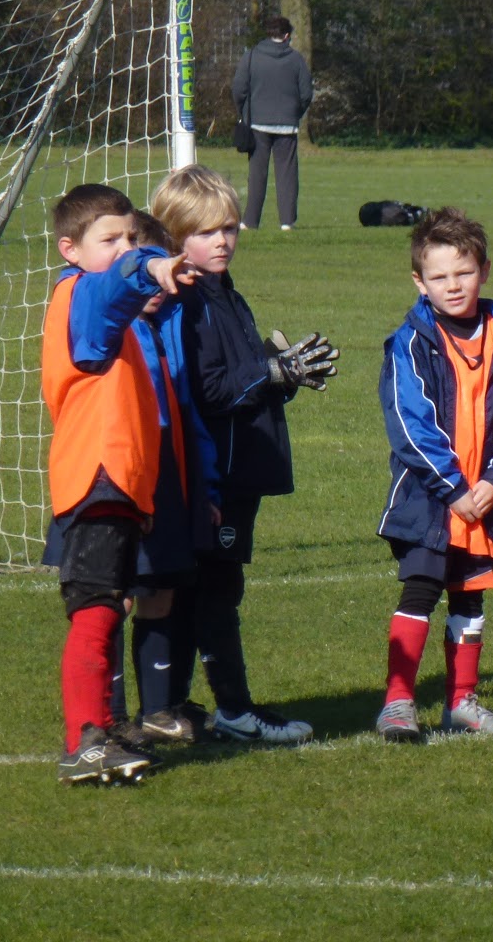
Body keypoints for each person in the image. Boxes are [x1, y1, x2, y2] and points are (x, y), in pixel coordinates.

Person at [152, 165, 337, 745]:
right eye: (207, 231)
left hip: (237, 468)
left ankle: (178, 706)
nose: (224, 240)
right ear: (176, 236)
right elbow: (208, 390)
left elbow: (236, 375)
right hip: (217, 474)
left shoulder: (224, 292)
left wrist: (282, 372)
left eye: (229, 227)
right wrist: (270, 371)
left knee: (202, 589)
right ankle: (232, 709)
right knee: (215, 591)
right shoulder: (188, 302)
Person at [41, 183, 194, 784]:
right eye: (110, 239)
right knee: (96, 608)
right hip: (97, 477)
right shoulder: (83, 295)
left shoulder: (114, 313)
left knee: (106, 605)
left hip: (119, 482)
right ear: (70, 249)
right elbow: (119, 281)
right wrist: (150, 262)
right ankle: (85, 738)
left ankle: (100, 732)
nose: (124, 246)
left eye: (131, 236)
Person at [375, 208, 493, 742]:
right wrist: (454, 488)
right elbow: (410, 425)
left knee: (470, 595)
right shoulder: (410, 342)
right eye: (438, 276)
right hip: (430, 498)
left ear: (484, 269)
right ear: (420, 282)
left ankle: (462, 702)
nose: (452, 285)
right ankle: (397, 703)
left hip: (486, 497)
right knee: (421, 588)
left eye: (462, 272)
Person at [90, 212, 222, 750]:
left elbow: (191, 419)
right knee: (116, 592)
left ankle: (159, 709)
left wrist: (206, 490)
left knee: (161, 587)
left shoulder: (168, 328)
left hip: (171, 481)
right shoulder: (111, 334)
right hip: (125, 476)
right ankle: (113, 714)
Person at [231, 15, 312, 231]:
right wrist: (295, 112)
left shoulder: (252, 56)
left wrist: (244, 111)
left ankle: (250, 221)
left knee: (257, 174)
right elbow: (306, 93)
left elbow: (239, 88)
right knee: (287, 174)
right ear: (286, 36)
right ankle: (287, 221)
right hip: (287, 124)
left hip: (257, 123)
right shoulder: (296, 59)